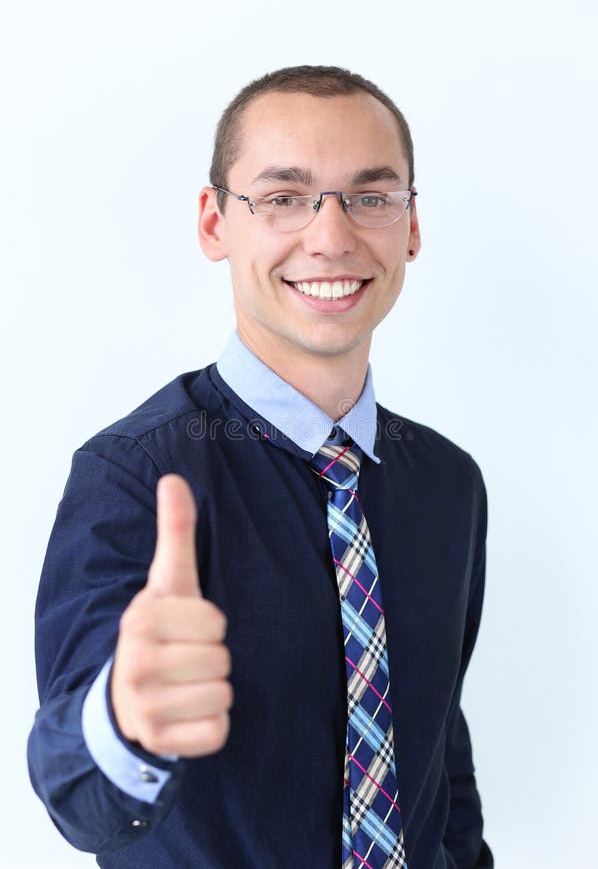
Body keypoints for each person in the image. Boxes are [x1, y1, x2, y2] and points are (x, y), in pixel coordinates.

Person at [28, 65, 494, 868]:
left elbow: (435, 753)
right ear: (215, 224)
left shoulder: (448, 483)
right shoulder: (136, 474)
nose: (332, 235)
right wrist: (122, 719)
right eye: (284, 198)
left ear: (411, 225)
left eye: (371, 197)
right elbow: (79, 799)